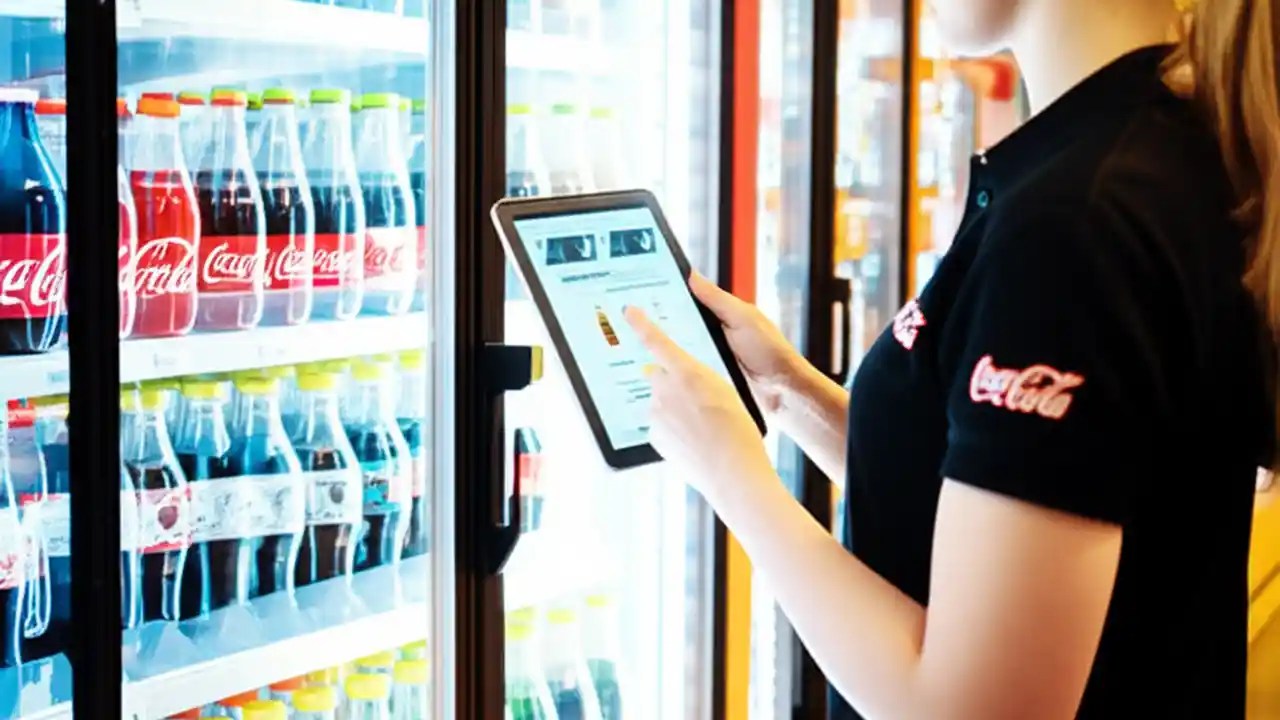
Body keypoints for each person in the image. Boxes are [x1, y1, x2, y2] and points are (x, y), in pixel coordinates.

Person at [623, 1, 1277, 718]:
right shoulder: (1160, 149)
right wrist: (788, 394)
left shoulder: (1077, 224)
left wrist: (732, 475)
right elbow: (1034, 492)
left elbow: (967, 709)